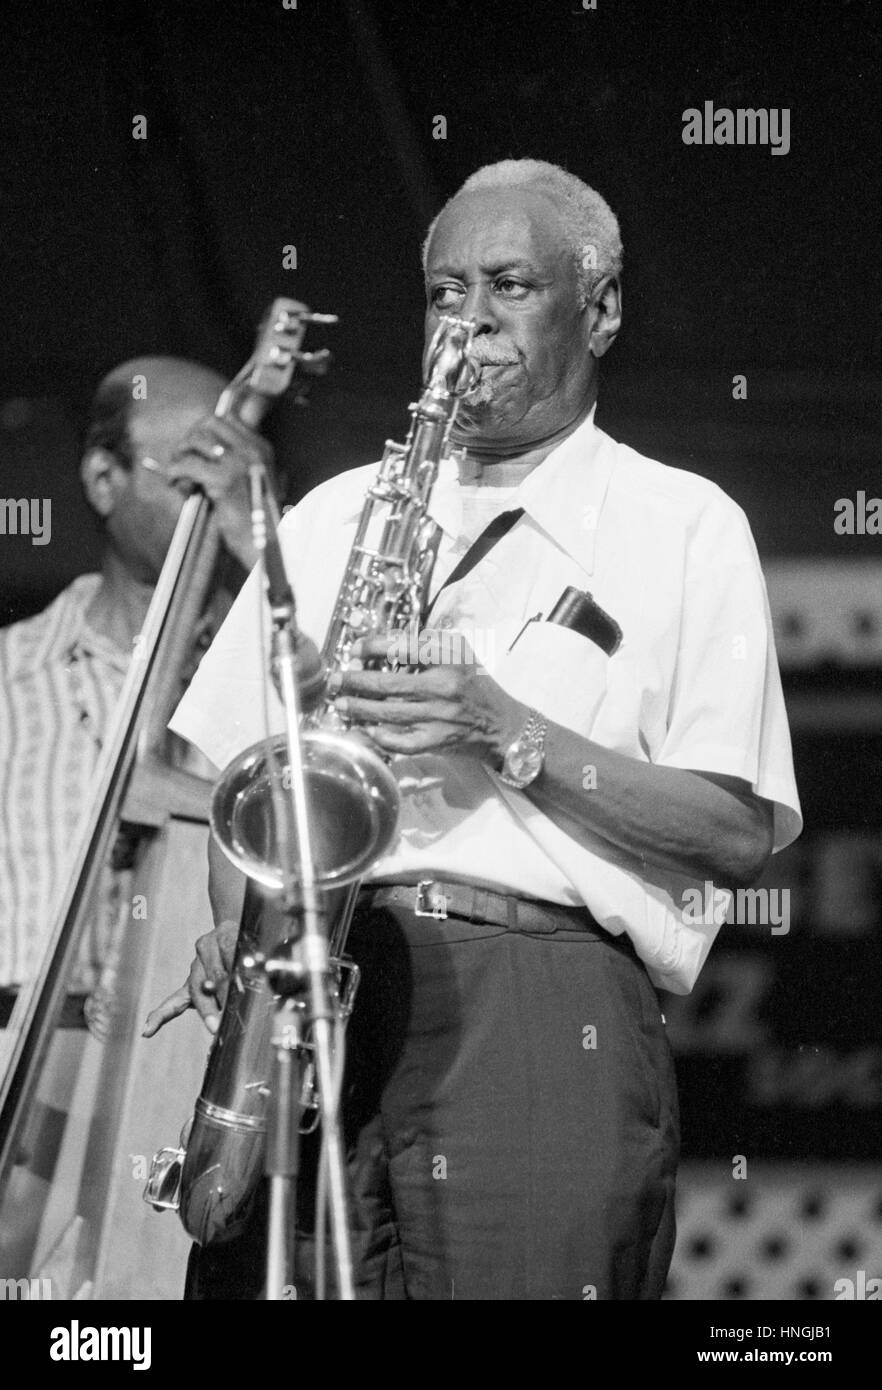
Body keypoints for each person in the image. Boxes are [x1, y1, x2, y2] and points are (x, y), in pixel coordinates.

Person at [151, 159, 802, 1300]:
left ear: (598, 312)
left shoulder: (688, 526)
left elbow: (734, 833)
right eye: (446, 292)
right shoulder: (333, 513)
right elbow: (242, 781)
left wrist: (508, 731)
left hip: (542, 1012)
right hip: (316, 994)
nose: (470, 323)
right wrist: (244, 940)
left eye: (509, 286)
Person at [0, 355, 271, 1280]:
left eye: (239, 471)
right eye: (194, 469)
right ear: (102, 479)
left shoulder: (272, 693)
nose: (216, 493)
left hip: (177, 1093)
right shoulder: (6, 678)